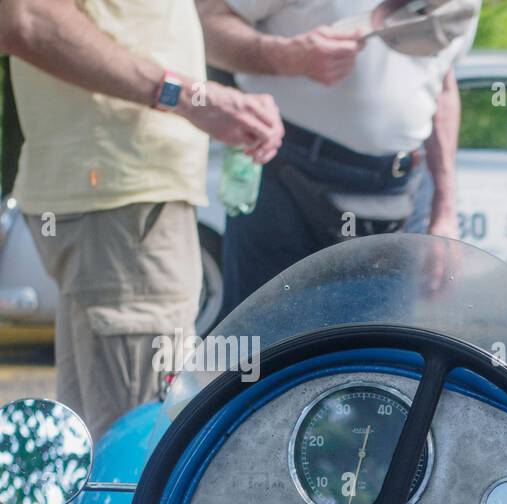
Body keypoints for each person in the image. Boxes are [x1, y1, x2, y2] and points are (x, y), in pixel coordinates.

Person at [0, 0, 284, 504]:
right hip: (123, 199)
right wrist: (188, 96)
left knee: (86, 456)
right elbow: (24, 18)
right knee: (138, 458)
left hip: (116, 198)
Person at [198, 0, 479, 316]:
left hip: (402, 191)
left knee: (377, 353)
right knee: (266, 349)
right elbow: (206, 23)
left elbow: (442, 85)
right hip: (286, 174)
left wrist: (445, 210)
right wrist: (286, 57)